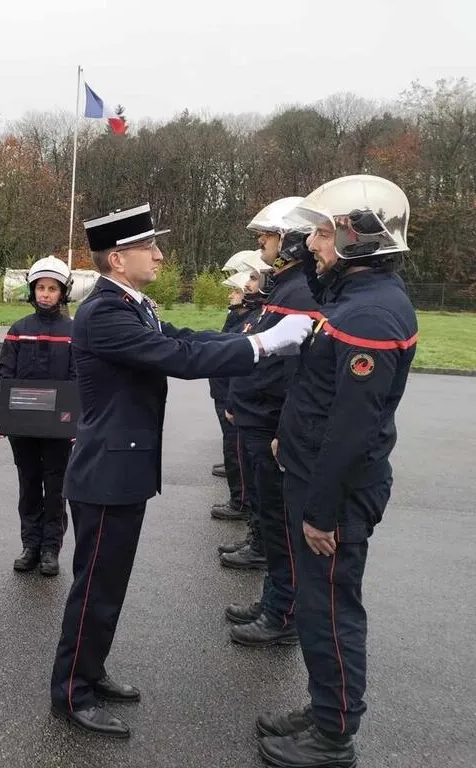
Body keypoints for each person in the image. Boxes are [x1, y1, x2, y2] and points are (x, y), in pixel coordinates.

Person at [48, 203, 314, 738]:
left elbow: (188, 338)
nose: (161, 254)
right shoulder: (104, 312)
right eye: (151, 247)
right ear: (118, 259)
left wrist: (256, 339)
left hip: (121, 468)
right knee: (95, 586)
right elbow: (181, 359)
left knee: (109, 584)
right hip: (105, 472)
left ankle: (90, 670)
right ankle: (71, 692)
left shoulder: (129, 304)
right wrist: (264, 345)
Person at [254, 176, 418, 768]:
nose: (313, 243)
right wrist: (286, 439)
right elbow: (319, 392)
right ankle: (327, 706)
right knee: (321, 609)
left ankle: (334, 735)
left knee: (329, 611)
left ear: (358, 237)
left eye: (323, 232)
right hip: (313, 476)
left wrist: (322, 512)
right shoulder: (353, 295)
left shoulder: (371, 312)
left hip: (336, 496)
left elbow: (352, 428)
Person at [225, 199, 323, 646]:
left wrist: (282, 430)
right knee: (270, 517)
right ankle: (274, 601)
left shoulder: (298, 291)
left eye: (267, 235)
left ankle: (282, 613)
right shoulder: (284, 288)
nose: (261, 243)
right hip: (259, 418)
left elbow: (290, 374)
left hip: (270, 424)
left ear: (290, 241)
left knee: (281, 526)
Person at [0, 255, 76, 577]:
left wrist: (77, 421)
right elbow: (4, 375)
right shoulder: (18, 331)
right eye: (41, 288)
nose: (46, 294)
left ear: (63, 292)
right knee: (28, 485)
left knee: (55, 487)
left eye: (52, 288)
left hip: (58, 429)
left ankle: (51, 548)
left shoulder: (73, 332)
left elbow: (79, 379)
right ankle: (30, 545)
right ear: (32, 291)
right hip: (22, 426)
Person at [210, 251, 271, 524]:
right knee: (237, 453)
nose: (244, 287)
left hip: (240, 402)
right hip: (230, 396)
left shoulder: (258, 316)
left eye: (253, 278)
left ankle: (241, 502)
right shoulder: (247, 316)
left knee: (243, 457)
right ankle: (244, 504)